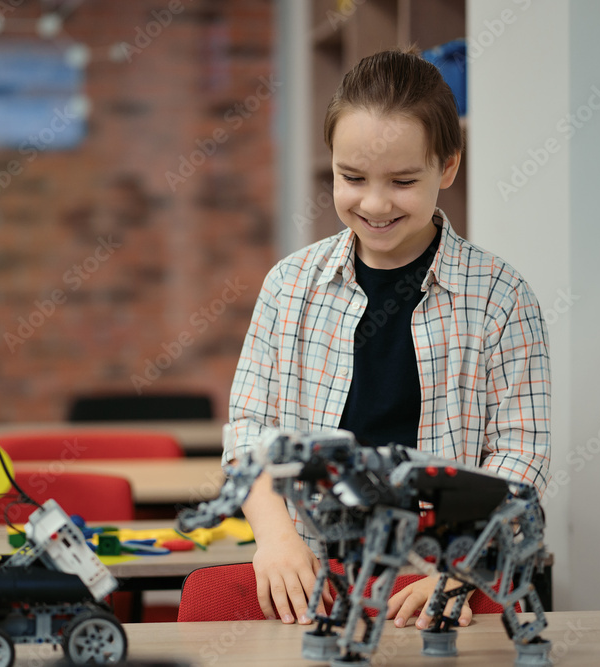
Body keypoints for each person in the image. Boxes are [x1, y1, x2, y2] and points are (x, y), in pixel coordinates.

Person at [222, 47, 550, 632]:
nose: (373, 204)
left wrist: (458, 570)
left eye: (402, 181)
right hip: (311, 578)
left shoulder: (503, 296)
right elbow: (250, 432)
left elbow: (519, 458)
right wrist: (273, 537)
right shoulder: (288, 286)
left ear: (447, 167)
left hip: (443, 585)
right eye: (352, 178)